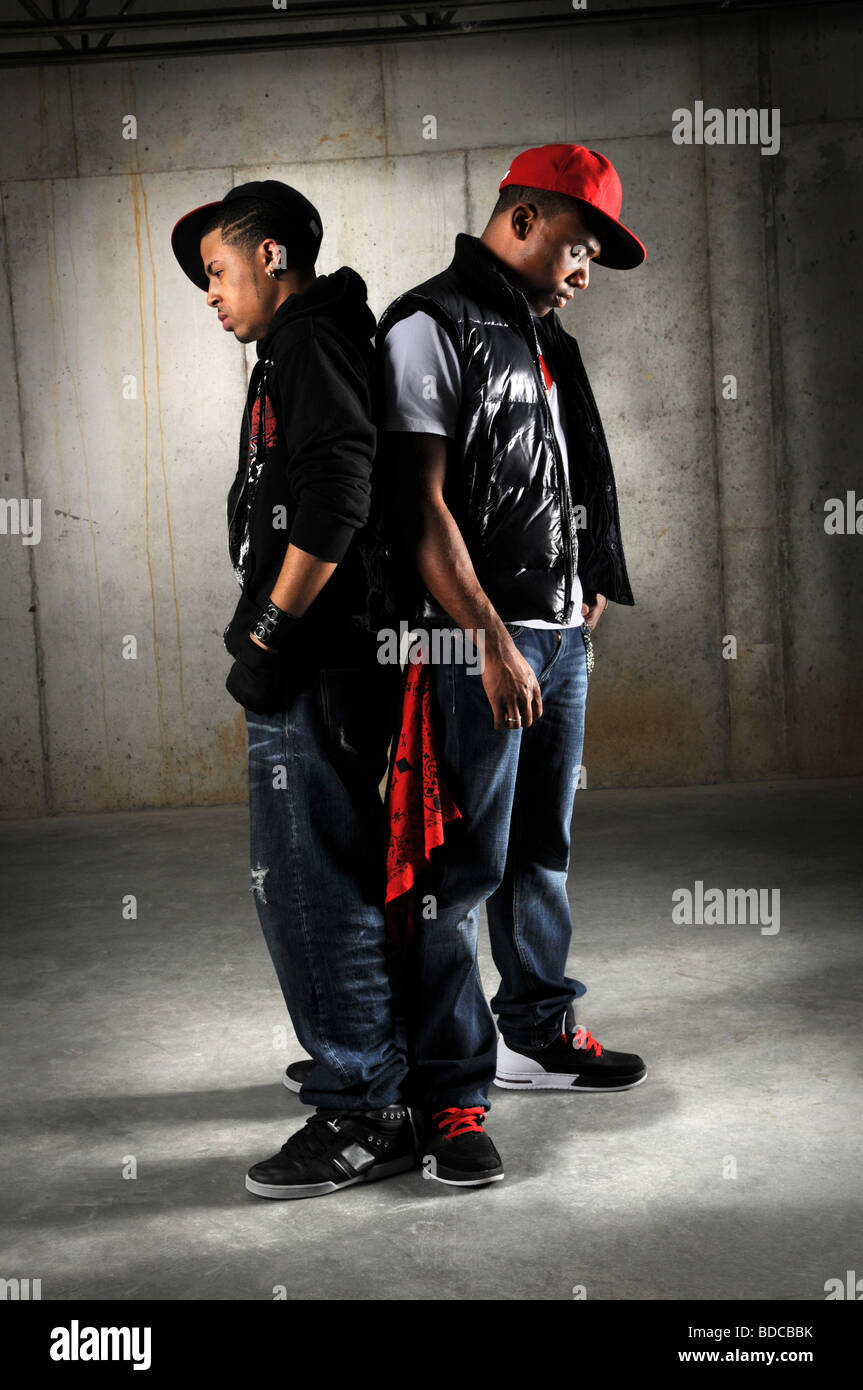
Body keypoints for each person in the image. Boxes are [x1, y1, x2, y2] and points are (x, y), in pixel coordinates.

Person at [373, 143, 649, 1187]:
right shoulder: (426, 325)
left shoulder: (540, 339)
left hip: (553, 635)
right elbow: (417, 507)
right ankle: (446, 1093)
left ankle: (538, 1029)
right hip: (468, 644)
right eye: (580, 245)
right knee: (459, 870)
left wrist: (584, 581)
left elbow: (559, 475)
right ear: (525, 217)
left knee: (541, 846)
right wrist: (489, 639)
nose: (584, 271)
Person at [170, 180, 414, 1200]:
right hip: (330, 659)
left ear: (273, 257)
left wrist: (271, 629)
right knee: (333, 879)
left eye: (218, 272)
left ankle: (364, 1109)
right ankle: (373, 1069)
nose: (210, 295)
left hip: (315, 663)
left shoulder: (310, 340)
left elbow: (340, 489)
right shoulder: (305, 341)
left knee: (308, 892)